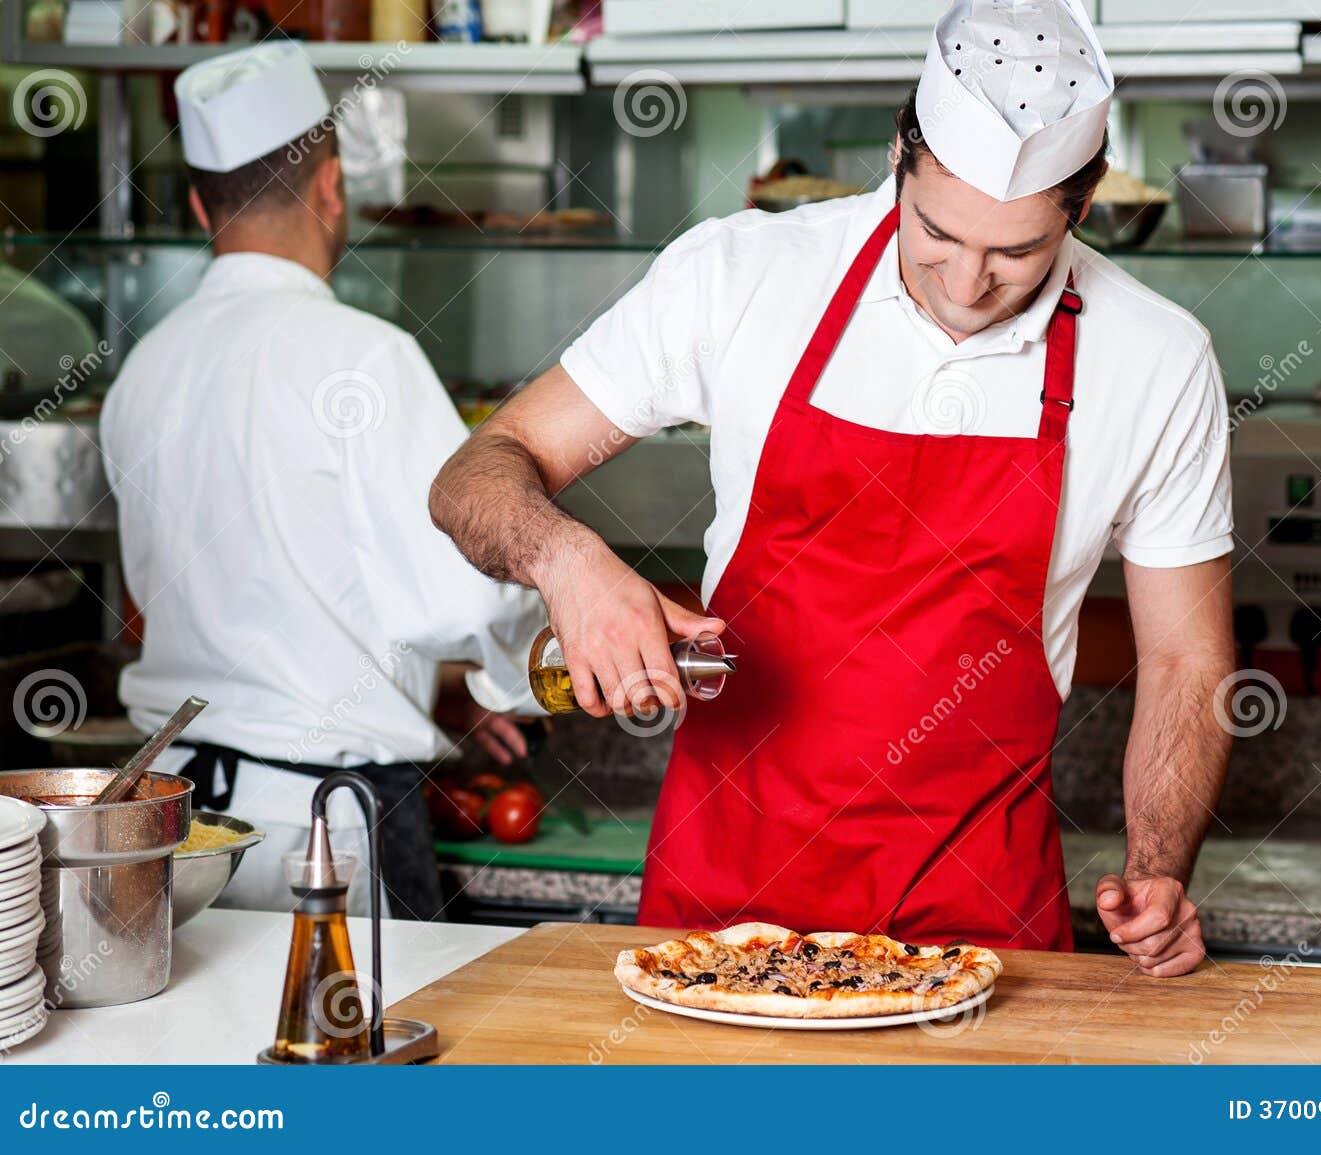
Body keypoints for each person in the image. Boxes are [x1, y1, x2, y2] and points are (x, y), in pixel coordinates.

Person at [432, 0, 1234, 975]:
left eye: (1016, 253)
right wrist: (568, 561)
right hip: (719, 910)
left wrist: (1158, 868)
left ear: (1085, 199)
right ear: (900, 152)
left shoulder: (1155, 358)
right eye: (936, 230)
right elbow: (478, 472)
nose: (966, 282)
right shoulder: (744, 275)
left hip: (978, 933)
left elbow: (1188, 659)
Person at [100, 42, 545, 920]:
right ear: (332, 185)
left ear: (198, 204)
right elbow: (469, 596)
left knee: (191, 1057)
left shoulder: (142, 371)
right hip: (327, 824)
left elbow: (241, 603)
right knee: (363, 1052)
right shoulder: (366, 357)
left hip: (172, 823)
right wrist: (517, 681)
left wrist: (420, 686)